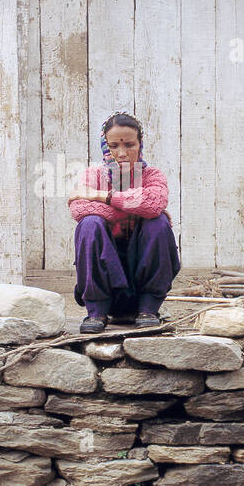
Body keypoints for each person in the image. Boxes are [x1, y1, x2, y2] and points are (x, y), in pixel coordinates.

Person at [67, 111, 181, 334]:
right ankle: (96, 311)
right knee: (89, 223)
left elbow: (153, 204)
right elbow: (79, 208)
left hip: (141, 282)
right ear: (104, 146)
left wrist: (102, 197)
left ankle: (148, 309)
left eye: (130, 145)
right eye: (114, 146)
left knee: (157, 222)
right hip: (106, 277)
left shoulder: (153, 176)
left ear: (140, 144)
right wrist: (135, 208)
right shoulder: (93, 175)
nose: (122, 153)